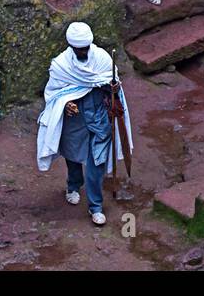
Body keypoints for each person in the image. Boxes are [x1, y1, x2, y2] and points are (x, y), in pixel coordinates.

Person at [36, 22, 132, 225]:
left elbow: (112, 84)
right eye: (78, 49)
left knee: (96, 161)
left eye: (85, 48)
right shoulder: (62, 65)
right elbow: (53, 93)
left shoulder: (103, 59)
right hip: (75, 118)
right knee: (72, 154)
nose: (82, 52)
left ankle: (95, 206)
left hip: (99, 115)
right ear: (71, 47)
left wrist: (113, 89)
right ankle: (73, 185)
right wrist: (66, 103)